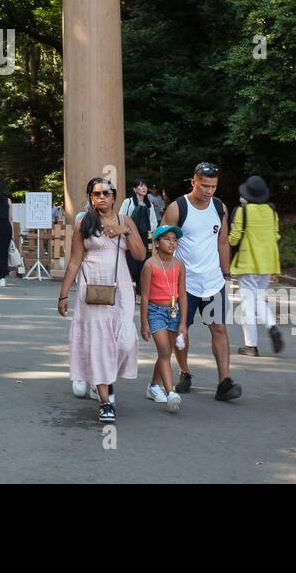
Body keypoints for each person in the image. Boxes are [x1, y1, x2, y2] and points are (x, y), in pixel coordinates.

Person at [58, 177, 146, 423]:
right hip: (93, 288)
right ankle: (106, 401)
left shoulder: (124, 221)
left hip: (120, 288)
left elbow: (140, 254)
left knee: (125, 342)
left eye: (106, 193)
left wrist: (125, 231)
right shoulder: (84, 224)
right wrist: (63, 294)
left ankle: (104, 376)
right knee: (98, 342)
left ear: (114, 196)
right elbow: (75, 260)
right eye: (96, 194)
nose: (102, 197)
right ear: (91, 198)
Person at [161, 162, 242, 401]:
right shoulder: (177, 208)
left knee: (219, 328)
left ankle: (224, 382)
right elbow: (163, 243)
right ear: (193, 182)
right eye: (204, 186)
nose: (209, 191)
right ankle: (184, 372)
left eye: (213, 186)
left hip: (213, 281)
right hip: (183, 284)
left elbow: (223, 242)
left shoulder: (219, 208)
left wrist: (226, 275)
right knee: (178, 331)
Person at [227, 175, 283, 357]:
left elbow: (234, 238)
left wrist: (223, 244)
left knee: (247, 304)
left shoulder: (242, 211)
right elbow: (275, 235)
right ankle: (271, 325)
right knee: (259, 297)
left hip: (247, 262)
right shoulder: (272, 210)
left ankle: (251, 345)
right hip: (267, 262)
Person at [140, 224, 186, 412]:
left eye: (175, 239)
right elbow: (144, 295)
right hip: (155, 312)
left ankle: (153, 386)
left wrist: (183, 323)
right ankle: (171, 391)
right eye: (167, 239)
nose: (172, 243)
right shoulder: (149, 265)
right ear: (157, 242)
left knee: (165, 352)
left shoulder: (179, 265)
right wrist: (144, 323)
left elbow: (182, 294)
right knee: (165, 351)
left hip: (174, 312)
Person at [120, 178, 157, 297]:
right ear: (135, 189)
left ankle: (141, 292)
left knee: (143, 264)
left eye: (145, 186)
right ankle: (131, 289)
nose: (144, 188)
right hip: (130, 235)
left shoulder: (149, 205)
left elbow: (153, 222)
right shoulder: (128, 202)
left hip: (144, 236)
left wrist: (151, 234)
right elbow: (121, 218)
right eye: (140, 186)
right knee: (131, 264)